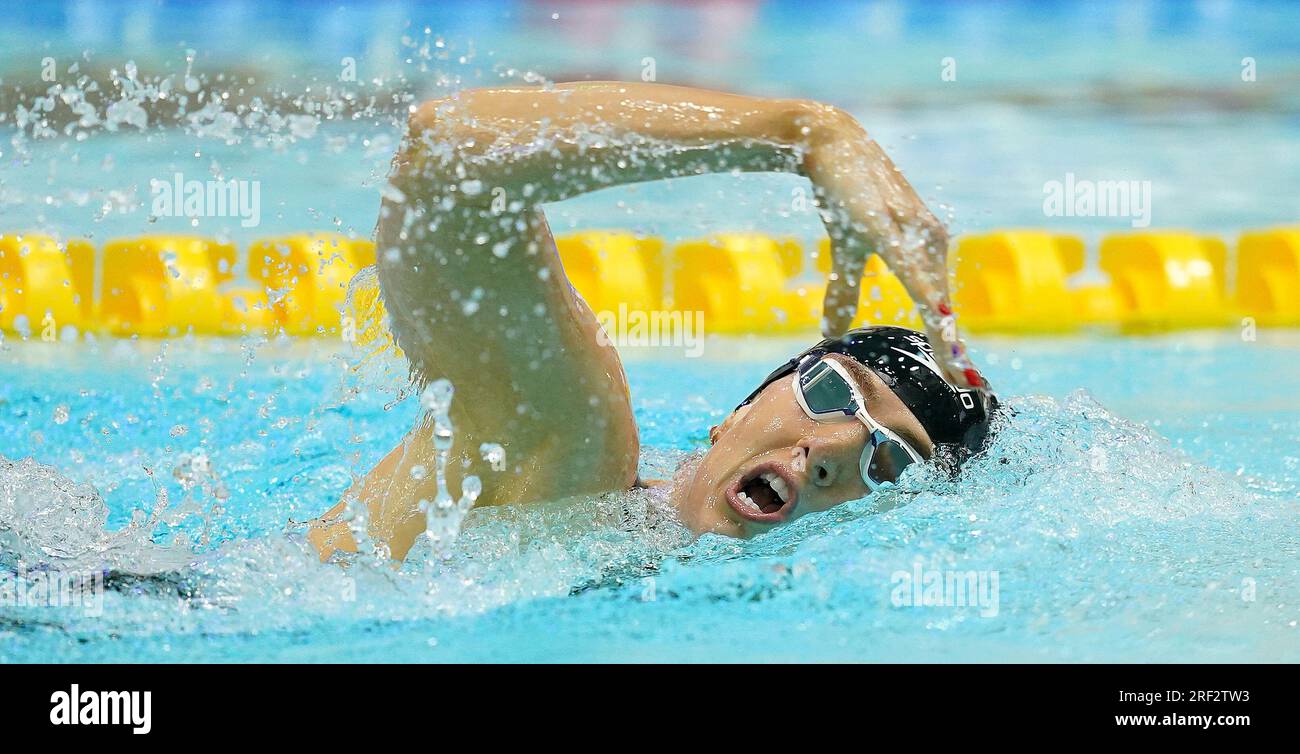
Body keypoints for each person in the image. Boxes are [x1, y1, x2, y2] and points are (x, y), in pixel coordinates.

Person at [307, 81, 997, 562]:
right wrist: (803, 137)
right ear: (736, 412)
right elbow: (449, 154)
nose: (836, 450)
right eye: (831, 394)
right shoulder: (572, 450)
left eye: (890, 461)